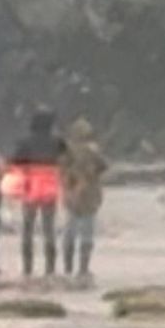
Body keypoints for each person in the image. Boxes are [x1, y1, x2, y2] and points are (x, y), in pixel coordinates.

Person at [8, 109, 65, 278]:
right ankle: (50, 269)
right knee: (49, 229)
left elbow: (15, 162)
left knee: (27, 229)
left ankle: (27, 269)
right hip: (50, 188)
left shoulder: (24, 142)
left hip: (30, 187)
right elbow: (67, 159)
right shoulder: (58, 142)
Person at [60, 118, 107, 280]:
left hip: (71, 196)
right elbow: (103, 167)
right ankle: (83, 269)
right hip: (89, 198)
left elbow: (61, 172)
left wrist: (68, 190)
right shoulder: (93, 151)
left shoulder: (66, 151)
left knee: (70, 233)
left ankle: (67, 270)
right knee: (86, 234)